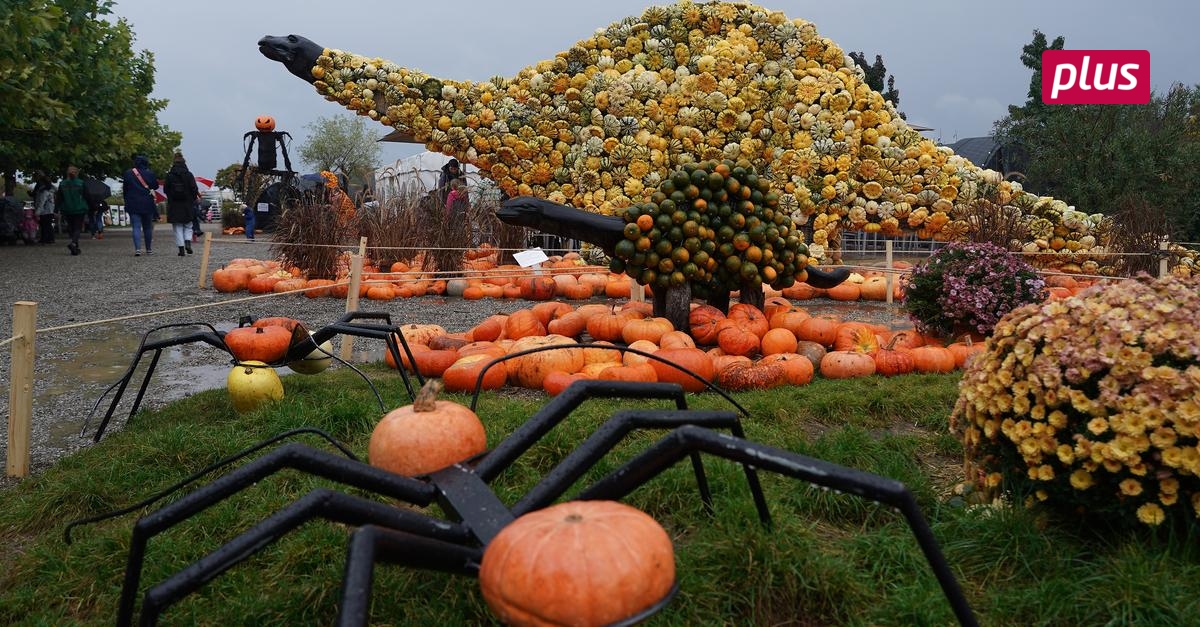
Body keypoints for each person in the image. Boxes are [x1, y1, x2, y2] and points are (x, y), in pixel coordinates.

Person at [123, 154, 159, 256]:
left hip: (133, 202)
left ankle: (138, 249)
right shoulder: (150, 173)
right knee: (147, 227)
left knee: (136, 226)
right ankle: (149, 249)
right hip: (147, 202)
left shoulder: (128, 173)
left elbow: (125, 188)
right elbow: (155, 186)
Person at [164, 152, 200, 256]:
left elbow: (166, 189)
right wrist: (192, 199)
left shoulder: (169, 175)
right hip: (187, 203)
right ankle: (188, 242)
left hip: (174, 204)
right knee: (188, 225)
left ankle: (181, 249)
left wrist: (171, 197)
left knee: (177, 227)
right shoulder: (189, 175)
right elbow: (194, 189)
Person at [55, 166, 89, 255]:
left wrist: (56, 209)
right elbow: (87, 196)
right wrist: (92, 206)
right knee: (78, 228)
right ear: (77, 173)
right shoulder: (81, 183)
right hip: (79, 208)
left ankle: (75, 246)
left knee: (71, 227)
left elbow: (59, 198)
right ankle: (74, 243)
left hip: (67, 208)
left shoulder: (62, 184)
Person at [33, 173, 56, 245]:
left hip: (44, 210)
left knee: (44, 225)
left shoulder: (44, 191)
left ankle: (45, 239)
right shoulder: (50, 190)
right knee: (48, 225)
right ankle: (49, 238)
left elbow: (41, 202)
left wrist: (37, 212)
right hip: (50, 210)